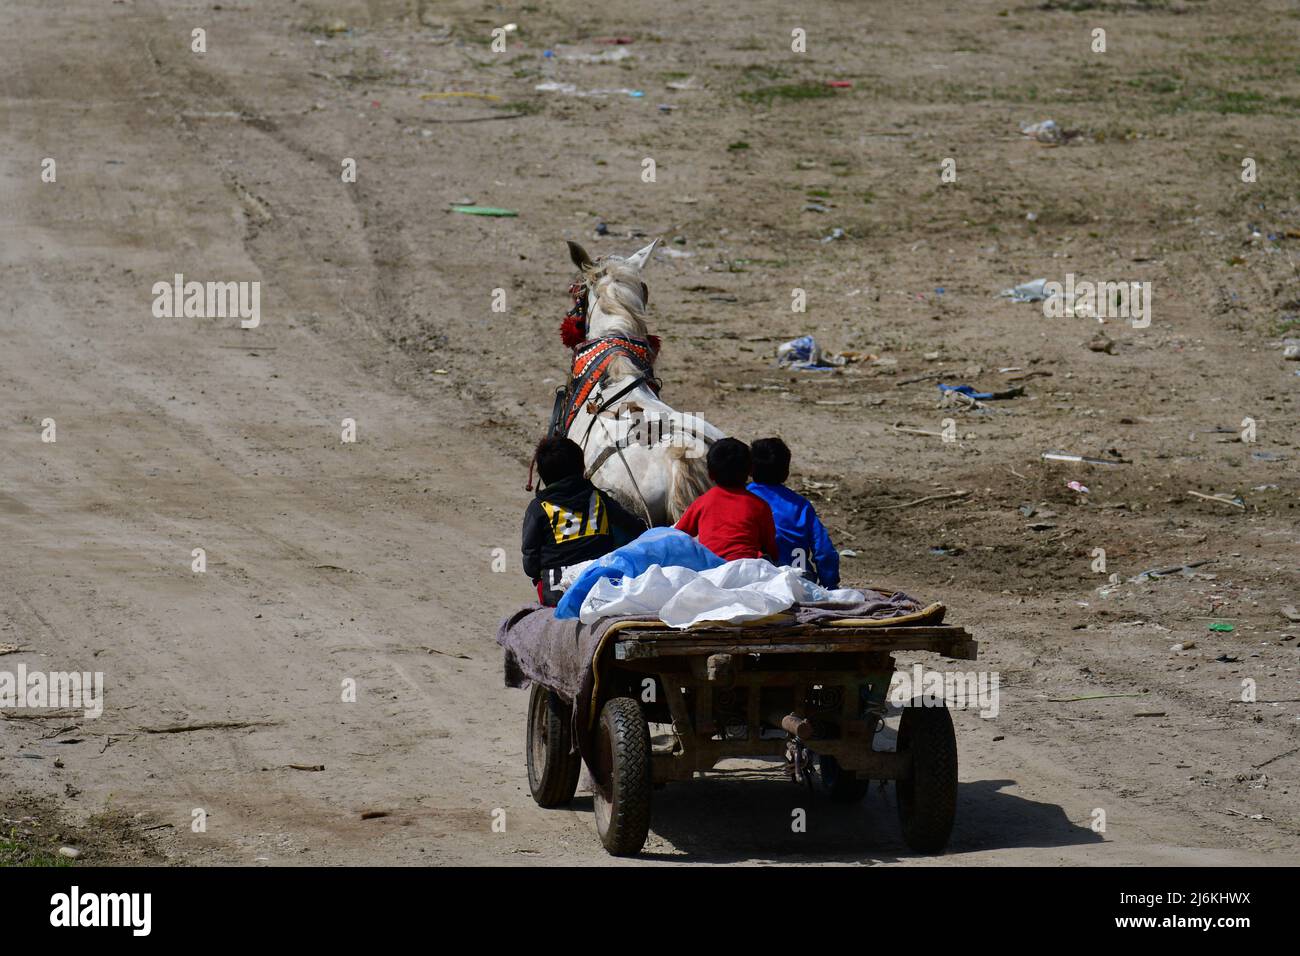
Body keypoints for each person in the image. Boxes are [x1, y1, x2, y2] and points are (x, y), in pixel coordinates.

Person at [522, 437, 647, 606]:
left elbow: (530, 561)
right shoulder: (598, 498)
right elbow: (634, 528)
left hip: (556, 595)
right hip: (600, 587)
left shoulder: (538, 507)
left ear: (543, 475)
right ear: (581, 468)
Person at [746, 437, 840, 589]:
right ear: (786, 472)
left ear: (749, 469)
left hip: (759, 578)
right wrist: (830, 586)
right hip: (801, 580)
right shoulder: (801, 506)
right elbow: (825, 552)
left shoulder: (742, 499)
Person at [674, 438, 777, 562]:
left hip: (712, 567)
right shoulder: (760, 506)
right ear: (750, 471)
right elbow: (770, 549)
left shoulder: (702, 503)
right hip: (750, 566)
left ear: (710, 475)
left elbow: (678, 536)